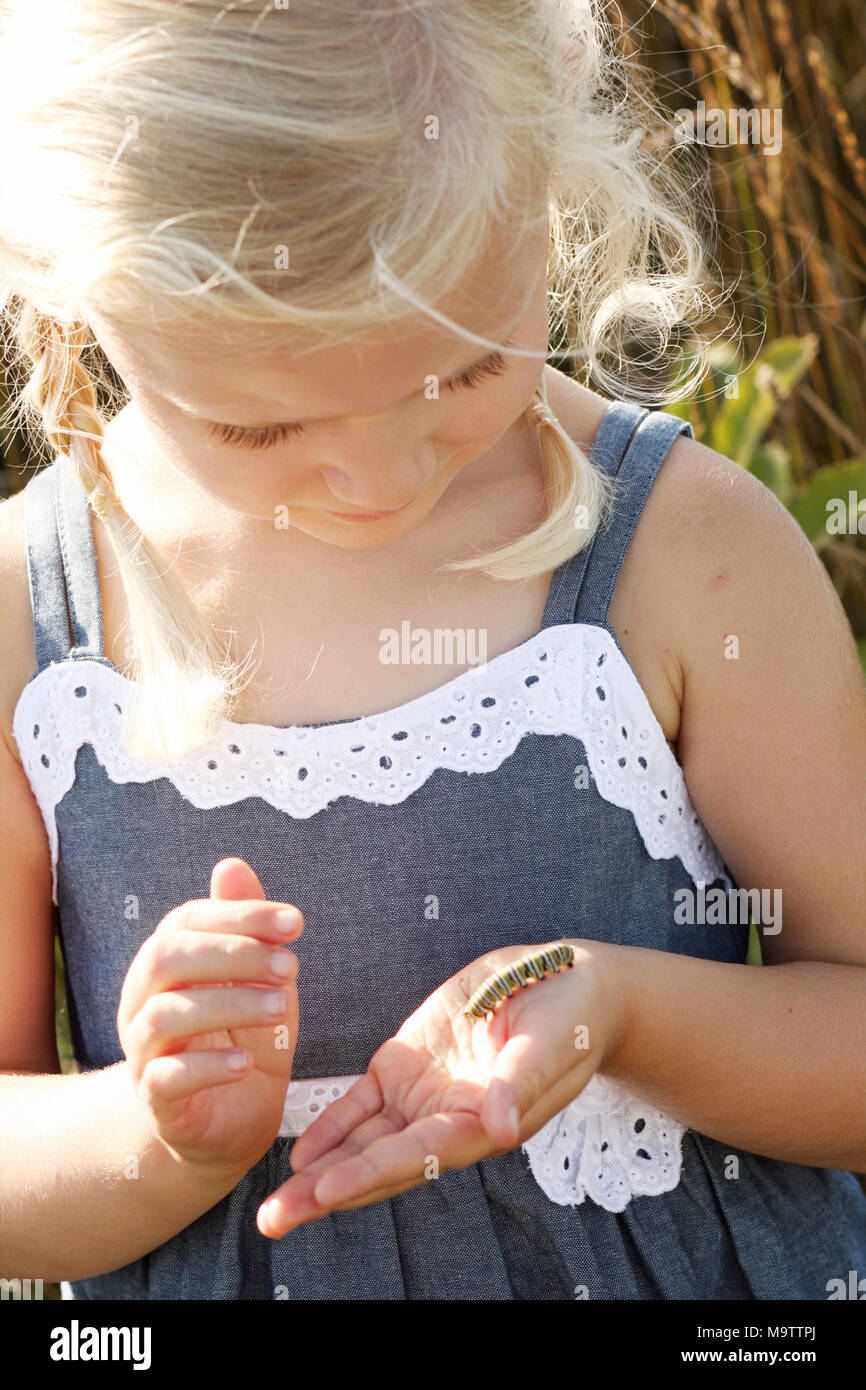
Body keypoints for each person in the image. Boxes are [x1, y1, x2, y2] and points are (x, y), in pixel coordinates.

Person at [0, 0, 864, 1300]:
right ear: (65, 276)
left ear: (552, 181)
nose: (374, 475)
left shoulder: (687, 555)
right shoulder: (33, 614)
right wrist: (156, 1132)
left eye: (460, 372)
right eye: (258, 427)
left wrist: (620, 1011)